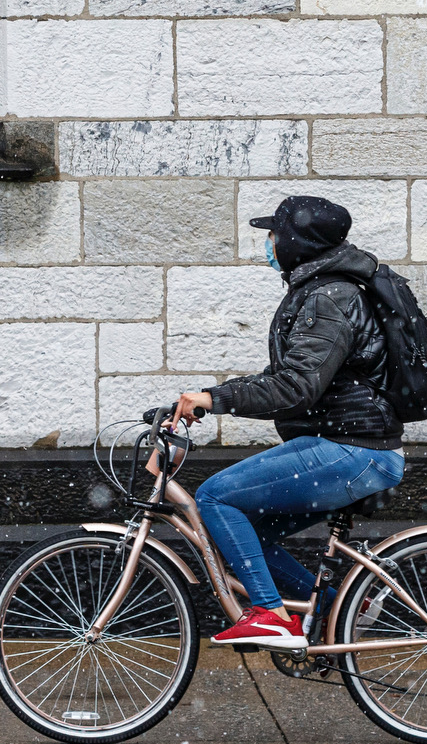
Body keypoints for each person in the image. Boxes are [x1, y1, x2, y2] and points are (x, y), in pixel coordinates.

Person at [164, 195, 404, 651]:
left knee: (214, 497)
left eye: (274, 235)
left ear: (296, 242)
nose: (269, 244)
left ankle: (271, 616)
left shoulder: (330, 297)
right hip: (348, 447)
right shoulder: (321, 290)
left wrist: (216, 399)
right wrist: (209, 397)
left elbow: (297, 386)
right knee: (237, 531)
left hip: (352, 450)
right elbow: (287, 376)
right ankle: (337, 610)